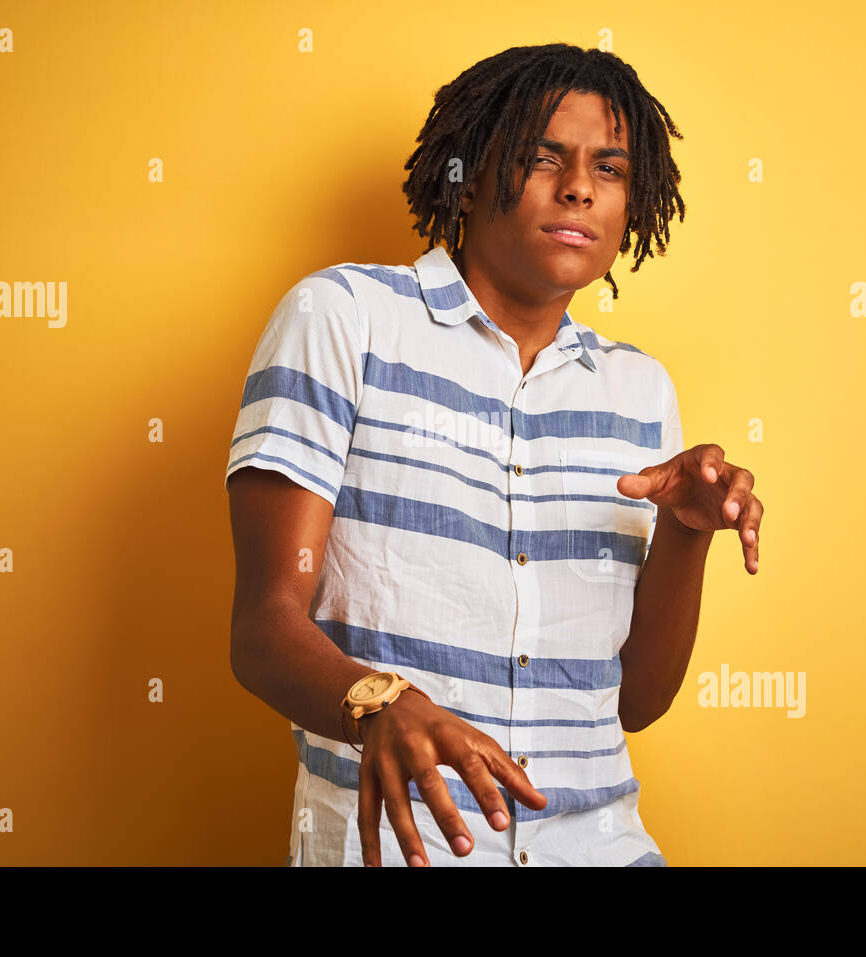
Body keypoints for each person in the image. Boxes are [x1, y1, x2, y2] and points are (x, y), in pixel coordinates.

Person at [225, 42, 764, 867]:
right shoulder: (344, 319)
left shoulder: (638, 391)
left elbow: (634, 703)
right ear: (469, 175)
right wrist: (377, 703)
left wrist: (686, 532)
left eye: (609, 167)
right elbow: (265, 629)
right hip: (405, 848)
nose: (579, 185)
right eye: (544, 155)